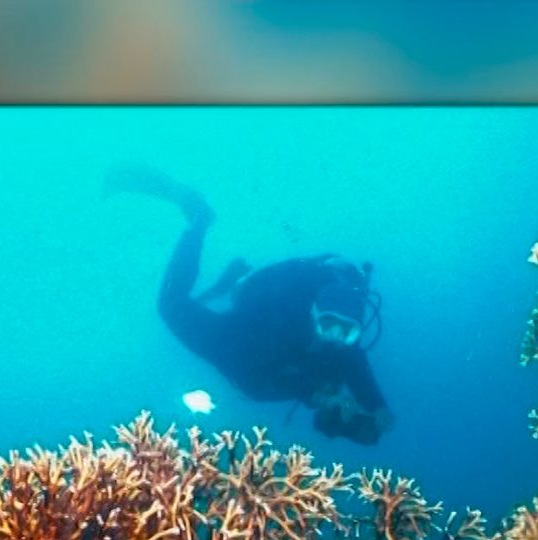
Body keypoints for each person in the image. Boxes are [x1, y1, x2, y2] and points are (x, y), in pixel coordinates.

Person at [109, 163, 392, 444]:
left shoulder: (340, 356)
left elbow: (351, 369)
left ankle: (224, 264)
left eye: (348, 332)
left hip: (259, 352)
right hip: (250, 324)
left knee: (176, 309)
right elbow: (260, 368)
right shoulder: (283, 319)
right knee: (170, 305)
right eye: (328, 324)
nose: (336, 338)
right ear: (314, 313)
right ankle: (200, 219)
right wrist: (328, 395)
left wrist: (376, 408)